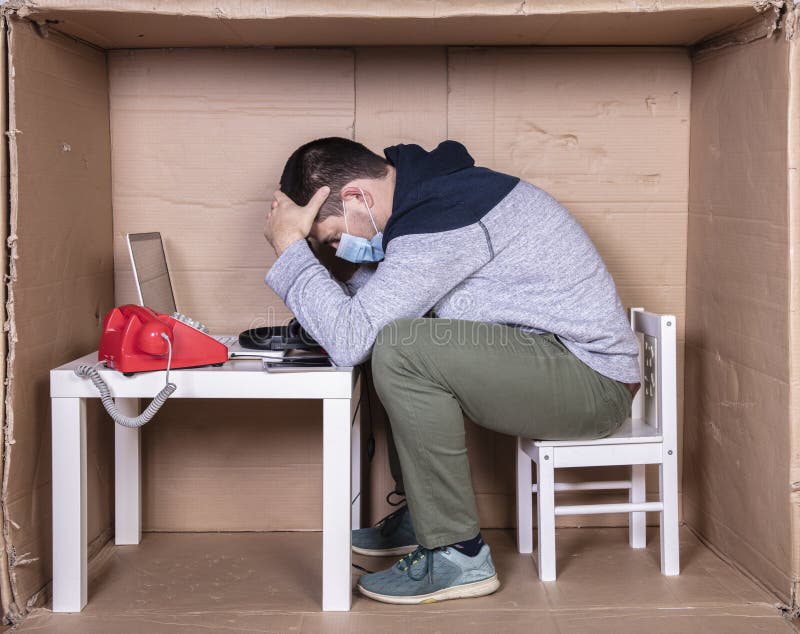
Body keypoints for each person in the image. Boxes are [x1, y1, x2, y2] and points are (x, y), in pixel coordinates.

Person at [263, 137, 641, 605]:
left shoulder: (443, 219)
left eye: (334, 237)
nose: (339, 251)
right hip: (549, 360)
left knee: (400, 346)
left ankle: (456, 554)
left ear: (357, 196)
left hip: (591, 382)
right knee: (395, 335)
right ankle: (426, 511)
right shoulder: (428, 203)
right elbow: (373, 311)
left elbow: (350, 337)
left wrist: (287, 246)